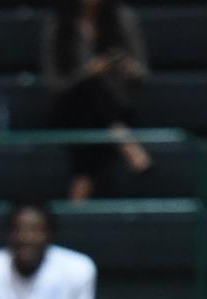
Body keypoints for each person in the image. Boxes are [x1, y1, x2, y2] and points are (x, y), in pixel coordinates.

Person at [42, 0, 153, 202]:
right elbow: (55, 85)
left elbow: (142, 74)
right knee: (90, 88)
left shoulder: (122, 18)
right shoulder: (57, 23)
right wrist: (88, 72)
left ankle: (82, 181)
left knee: (92, 114)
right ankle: (122, 137)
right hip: (69, 108)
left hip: (114, 104)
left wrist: (127, 68)